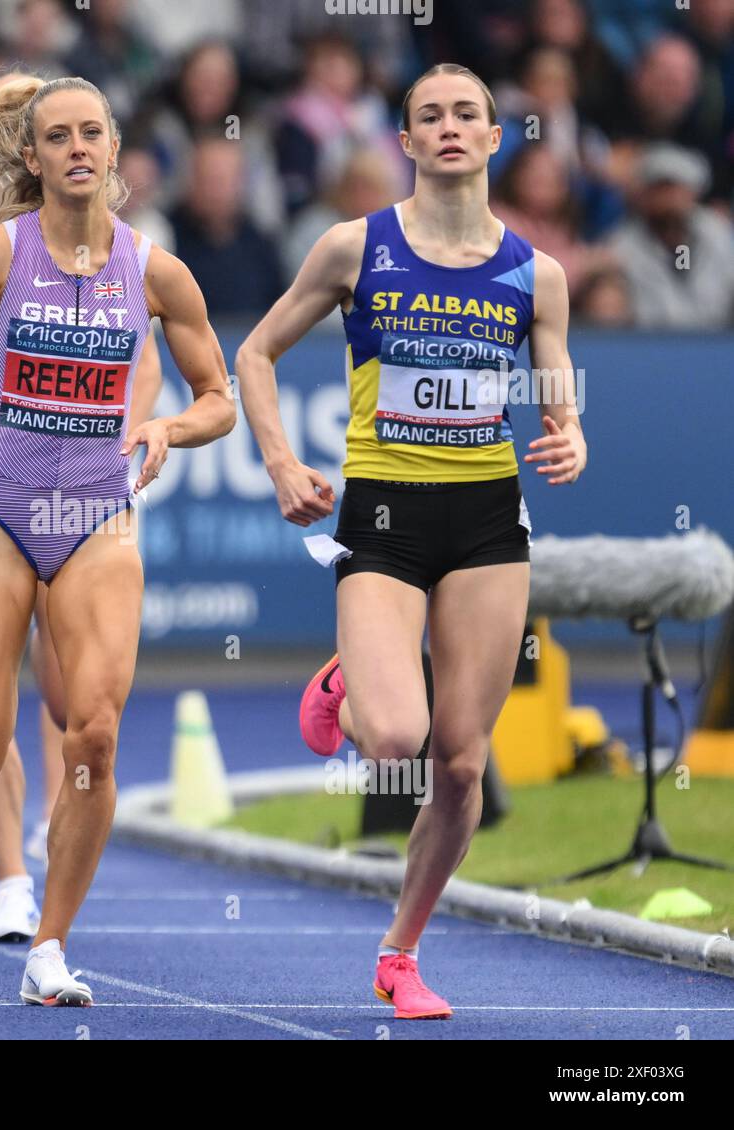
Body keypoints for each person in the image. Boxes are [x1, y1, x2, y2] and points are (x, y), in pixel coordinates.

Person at [0, 73, 235, 1005]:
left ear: (113, 153)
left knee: (92, 734)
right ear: (31, 157)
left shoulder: (155, 272)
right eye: (57, 135)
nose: (76, 148)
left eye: (91, 134)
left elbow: (218, 399)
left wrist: (166, 430)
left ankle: (50, 948)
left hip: (100, 519)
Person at [236, 64, 587, 1020]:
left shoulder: (536, 272)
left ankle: (400, 953)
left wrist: (570, 432)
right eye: (427, 115)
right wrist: (279, 462)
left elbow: (557, 386)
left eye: (465, 114)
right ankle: (350, 679)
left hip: (486, 523)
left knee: (462, 765)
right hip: (384, 516)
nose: (447, 128)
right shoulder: (355, 248)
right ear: (404, 141)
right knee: (397, 737)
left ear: (492, 137)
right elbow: (254, 353)